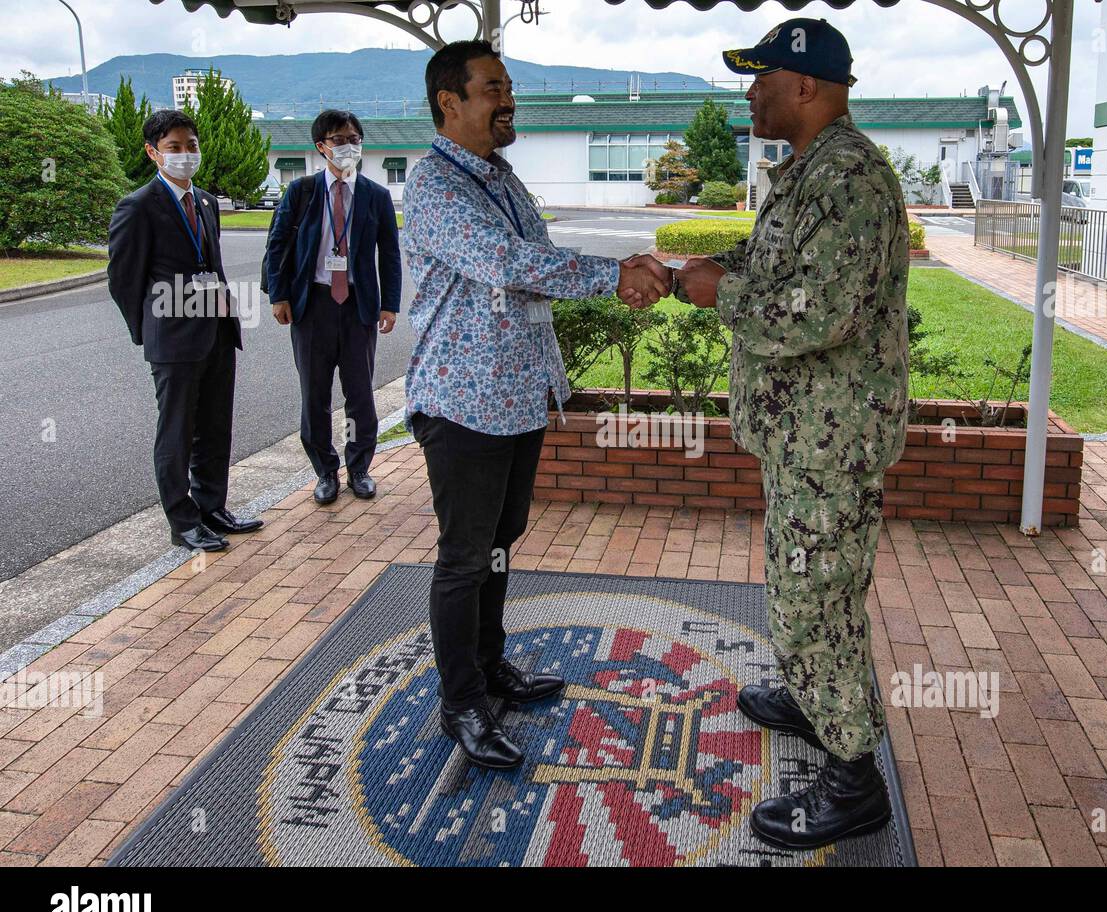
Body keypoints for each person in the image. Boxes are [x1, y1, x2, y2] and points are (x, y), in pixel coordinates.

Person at [673, 18, 911, 850]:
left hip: (830, 442)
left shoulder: (851, 180)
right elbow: (775, 266)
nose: (750, 94)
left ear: (804, 85)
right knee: (802, 585)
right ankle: (817, 701)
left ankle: (853, 781)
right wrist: (690, 275)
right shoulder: (809, 173)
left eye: (761, 78)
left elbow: (821, 311)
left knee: (816, 599)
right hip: (802, 437)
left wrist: (716, 296)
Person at [402, 40, 667, 769]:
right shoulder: (434, 187)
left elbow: (533, 265)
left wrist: (610, 276)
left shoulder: (499, 176)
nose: (507, 99)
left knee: (499, 540)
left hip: (516, 395)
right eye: (492, 88)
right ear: (448, 102)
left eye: (508, 86)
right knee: (464, 559)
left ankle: (491, 670)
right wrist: (616, 274)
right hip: (462, 403)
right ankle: (460, 702)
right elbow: (508, 263)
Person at [108, 108, 262, 552]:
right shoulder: (138, 207)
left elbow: (210, 265)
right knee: (176, 431)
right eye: (173, 148)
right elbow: (124, 279)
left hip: (216, 330)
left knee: (215, 427)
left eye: (190, 146)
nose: (184, 154)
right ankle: (183, 522)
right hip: (173, 338)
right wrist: (149, 332)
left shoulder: (207, 202)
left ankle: (213, 506)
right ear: (153, 153)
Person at [265, 110, 402, 504]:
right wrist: (279, 295)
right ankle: (325, 471)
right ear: (321, 146)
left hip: (358, 307)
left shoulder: (375, 195)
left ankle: (359, 467)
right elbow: (277, 246)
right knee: (315, 395)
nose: (348, 146)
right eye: (339, 139)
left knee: (360, 394)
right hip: (312, 307)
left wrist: (389, 304)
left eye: (355, 138)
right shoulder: (302, 192)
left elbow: (389, 254)